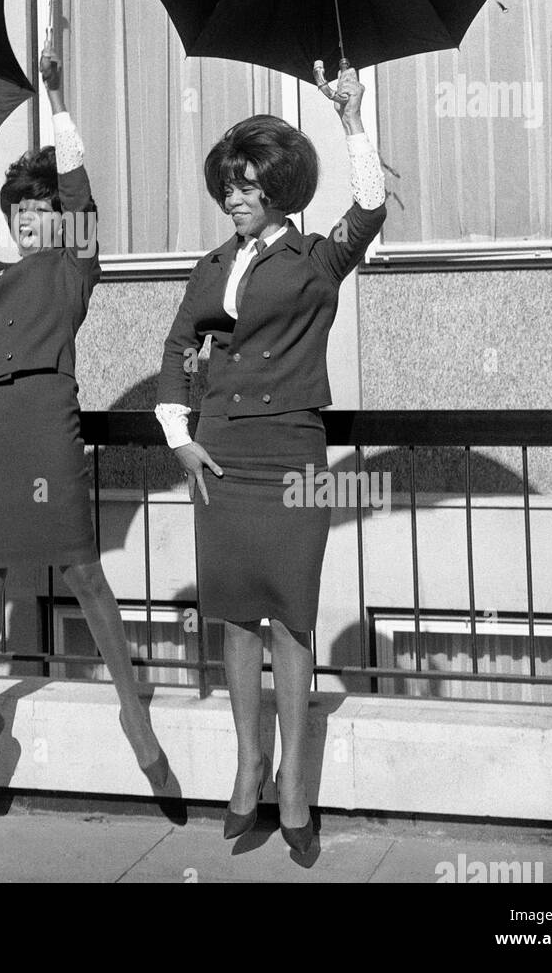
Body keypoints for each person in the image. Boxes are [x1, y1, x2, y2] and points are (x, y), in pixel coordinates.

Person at [0, 45, 169, 793]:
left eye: (42, 209)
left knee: (82, 570)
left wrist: (55, 95)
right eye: (20, 211)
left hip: (45, 417)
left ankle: (132, 713)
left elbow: (83, 198)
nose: (32, 220)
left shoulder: (73, 266)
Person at [155, 66, 386, 861]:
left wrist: (350, 118)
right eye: (228, 185)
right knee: (233, 616)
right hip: (217, 453)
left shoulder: (317, 258)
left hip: (290, 449)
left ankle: (293, 785)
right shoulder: (212, 263)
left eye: (248, 184)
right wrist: (177, 433)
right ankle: (248, 766)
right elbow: (178, 347)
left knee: (290, 615)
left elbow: (370, 207)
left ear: (279, 187)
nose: (234, 197)